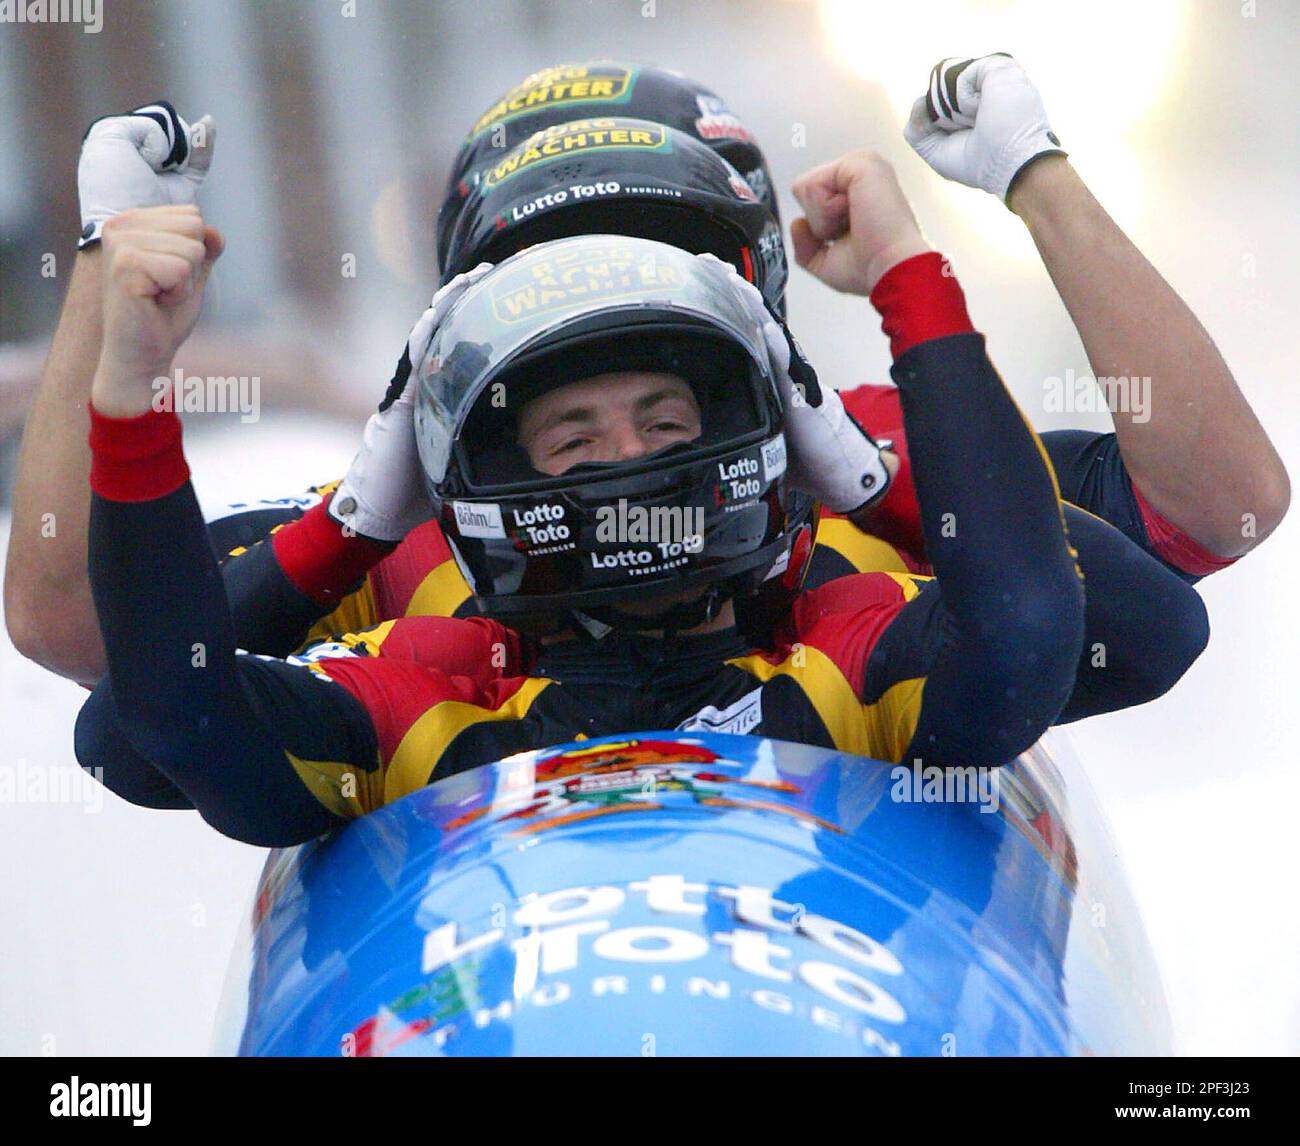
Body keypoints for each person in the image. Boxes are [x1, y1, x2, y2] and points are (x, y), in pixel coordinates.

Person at [8, 76, 1216, 727]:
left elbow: (1216, 517)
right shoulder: (405, 523)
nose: (599, 311)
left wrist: (1033, 177)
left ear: (754, 284)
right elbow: (100, 647)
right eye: (547, 284)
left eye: (657, 259)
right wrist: (112, 282)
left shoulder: (903, 441)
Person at [75, 210, 1086, 846]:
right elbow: (153, 719)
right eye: (575, 437)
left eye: (664, 423)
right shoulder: (413, 690)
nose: (630, 463)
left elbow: (1049, 621)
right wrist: (139, 397)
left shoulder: (844, 639)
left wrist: (875, 446)